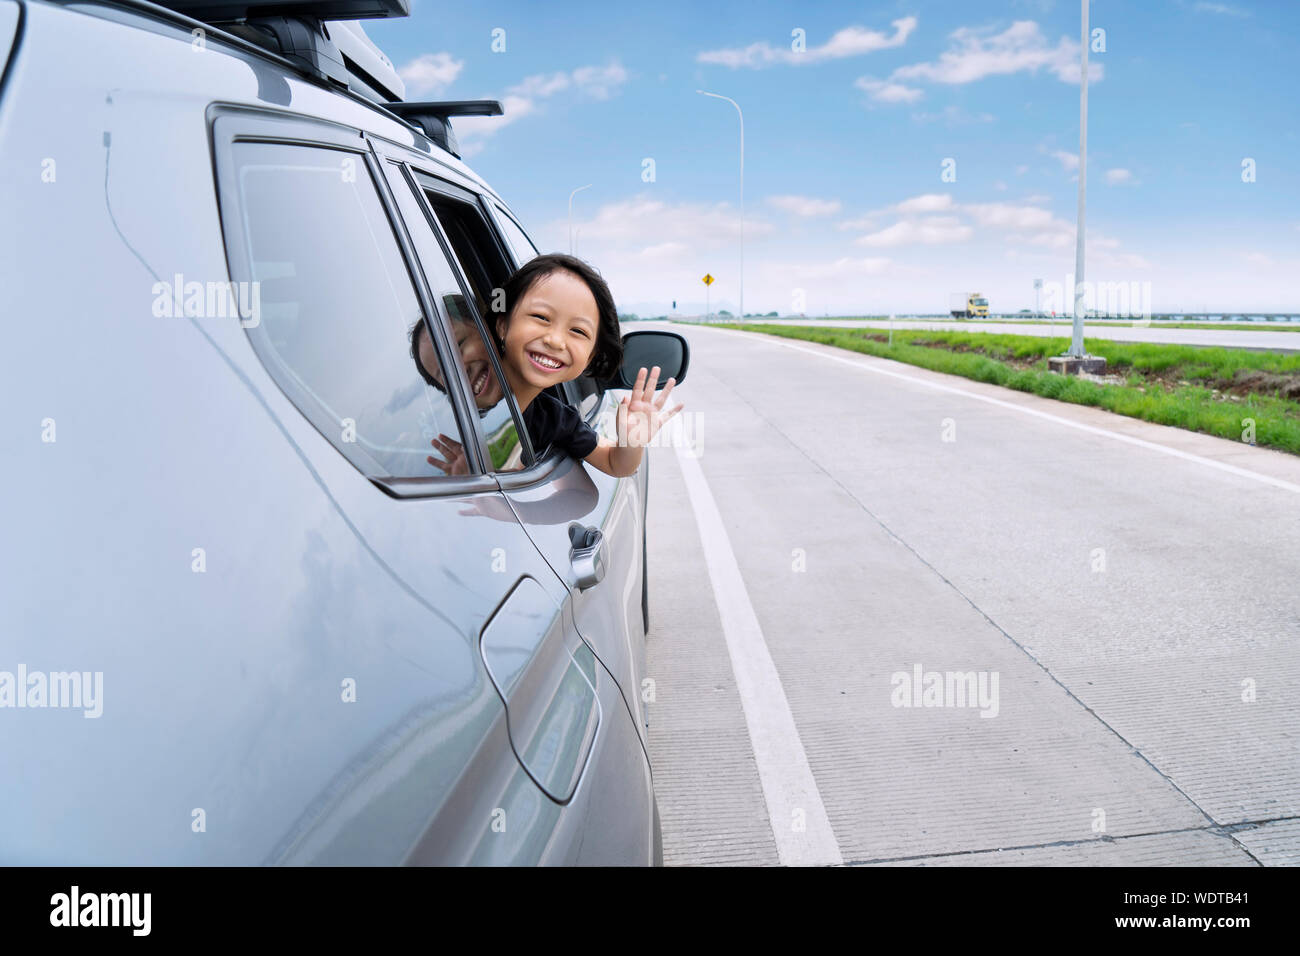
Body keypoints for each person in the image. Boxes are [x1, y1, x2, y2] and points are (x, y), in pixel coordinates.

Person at [491, 253, 681, 478]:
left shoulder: (556, 420)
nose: (555, 340)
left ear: (589, 358)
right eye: (541, 317)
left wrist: (631, 442)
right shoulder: (459, 389)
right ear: (503, 324)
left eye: (578, 331)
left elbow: (615, 464)